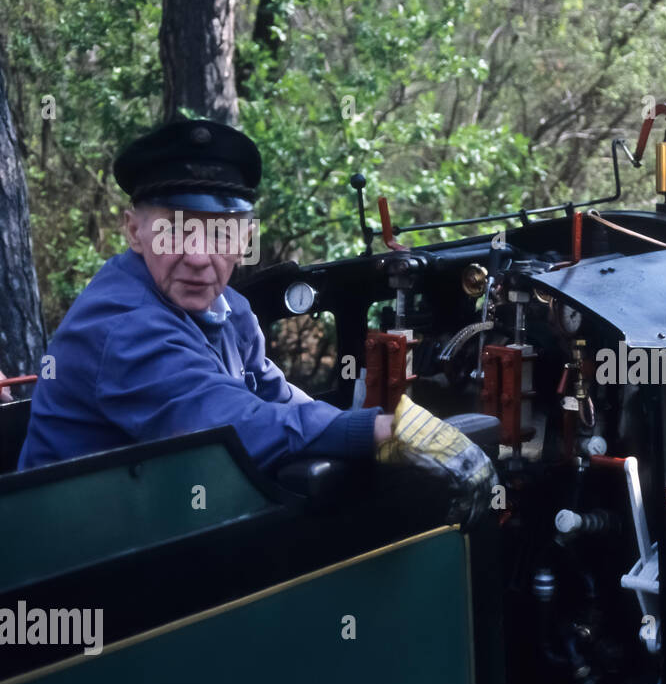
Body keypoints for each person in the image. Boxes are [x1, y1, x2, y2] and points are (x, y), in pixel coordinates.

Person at [17, 119, 495, 521]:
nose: (201, 259)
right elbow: (226, 426)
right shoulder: (122, 326)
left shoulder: (228, 309)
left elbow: (276, 397)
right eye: (173, 233)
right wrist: (387, 432)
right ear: (133, 231)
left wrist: (368, 424)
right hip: (77, 567)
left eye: (222, 234)